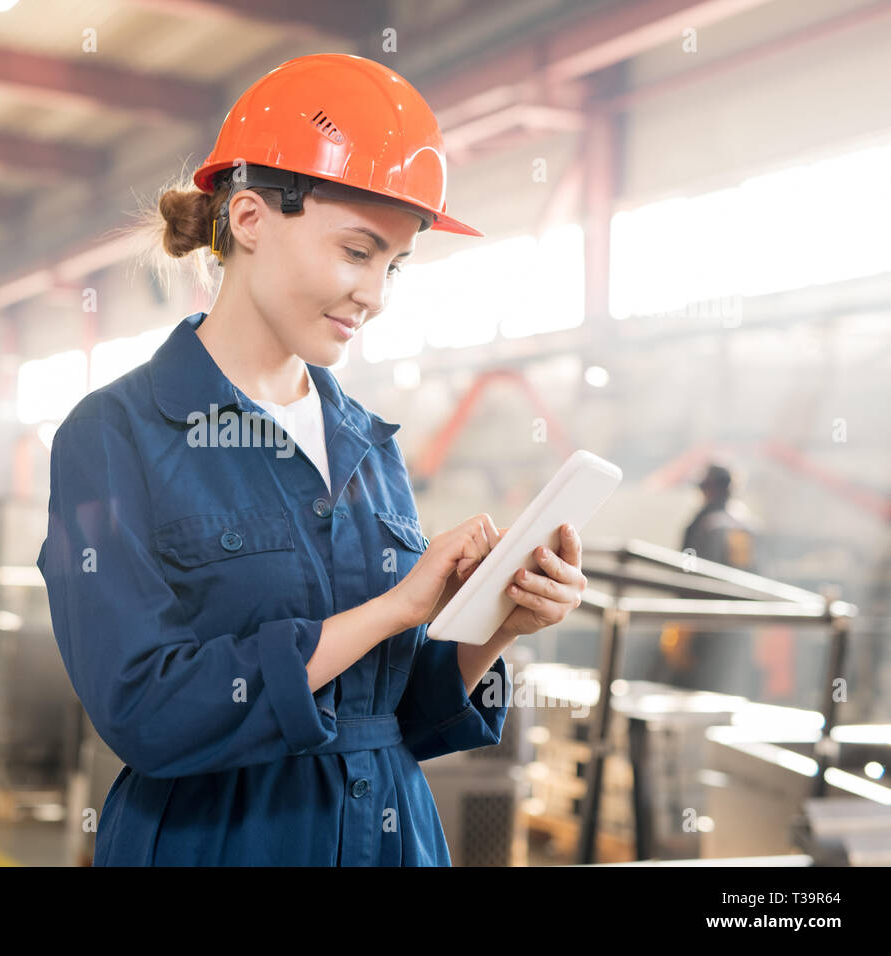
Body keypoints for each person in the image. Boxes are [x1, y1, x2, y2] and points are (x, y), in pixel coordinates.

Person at [37, 54, 589, 866]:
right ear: (252, 219)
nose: (376, 294)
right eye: (358, 252)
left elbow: (396, 711)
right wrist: (394, 608)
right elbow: (145, 711)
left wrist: (494, 626)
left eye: (395, 265)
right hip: (219, 840)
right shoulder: (116, 434)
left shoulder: (367, 443)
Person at [660, 463, 763, 696]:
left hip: (700, 623)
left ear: (709, 488)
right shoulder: (749, 526)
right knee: (728, 689)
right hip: (738, 626)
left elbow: (688, 573)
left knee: (689, 689)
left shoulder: (705, 524)